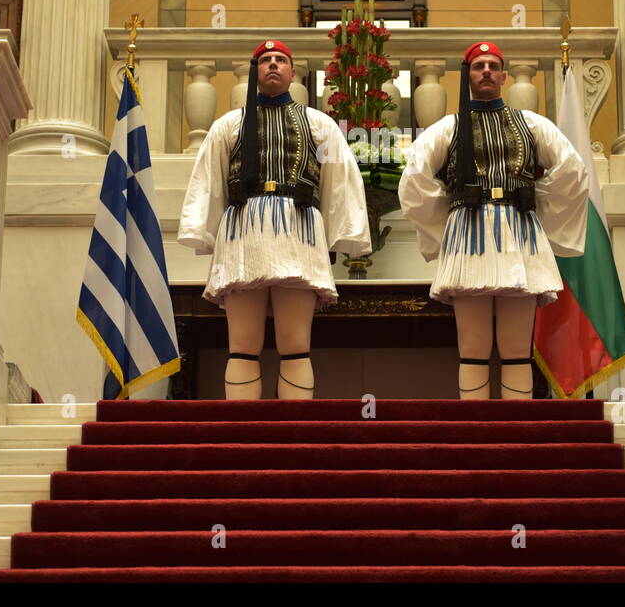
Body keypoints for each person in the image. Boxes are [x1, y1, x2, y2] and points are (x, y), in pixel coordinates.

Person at [179, 39, 370, 399]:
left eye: (280, 60)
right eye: (265, 60)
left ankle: (292, 439)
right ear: (255, 72)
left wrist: (336, 237)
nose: (272, 65)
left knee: (295, 342)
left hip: (298, 230)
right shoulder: (227, 125)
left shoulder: (321, 124)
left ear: (292, 72)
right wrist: (203, 235)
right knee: (242, 343)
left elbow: (339, 179)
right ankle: (242, 441)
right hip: (243, 230)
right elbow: (208, 179)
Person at [399, 41, 589, 399]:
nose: (486, 71)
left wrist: (537, 202)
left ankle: (517, 438)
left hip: (519, 232)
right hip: (469, 232)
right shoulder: (447, 127)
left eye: (492, 65)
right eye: (477, 65)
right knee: (472, 348)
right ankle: (477, 435)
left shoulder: (532, 124)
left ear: (503, 76)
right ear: (467, 75)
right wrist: (451, 218)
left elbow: (572, 171)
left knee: (517, 350)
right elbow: (415, 180)